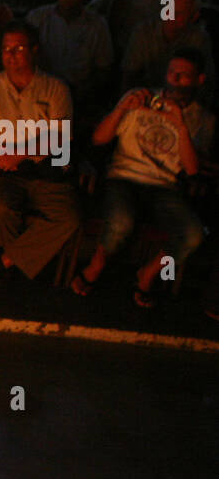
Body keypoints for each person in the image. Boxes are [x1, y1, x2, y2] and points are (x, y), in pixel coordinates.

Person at [73, 50, 211, 307]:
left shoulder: (202, 119)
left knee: (194, 235)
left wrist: (181, 125)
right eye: (172, 72)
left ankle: (148, 272)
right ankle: (97, 264)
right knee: (122, 221)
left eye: (183, 76)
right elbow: (98, 139)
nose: (175, 78)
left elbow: (192, 171)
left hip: (165, 186)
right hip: (124, 176)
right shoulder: (142, 98)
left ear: (199, 80)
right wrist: (121, 109)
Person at [0, 23, 81, 289]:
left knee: (68, 219)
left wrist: (21, 153)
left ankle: (3, 262)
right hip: (5, 170)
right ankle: (6, 267)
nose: (11, 55)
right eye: (6, 49)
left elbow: (60, 136)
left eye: (19, 48)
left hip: (46, 169)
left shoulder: (56, 88)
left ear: (34, 51)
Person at [26, 0, 114, 114]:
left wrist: (84, 91)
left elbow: (103, 68)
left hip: (77, 97)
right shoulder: (37, 18)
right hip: (37, 93)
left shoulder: (97, 26)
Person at [121, 0, 216, 102]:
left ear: (193, 17)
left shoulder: (198, 39)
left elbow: (206, 82)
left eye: (178, 13)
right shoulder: (144, 32)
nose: (170, 16)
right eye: (167, 10)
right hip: (145, 98)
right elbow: (129, 74)